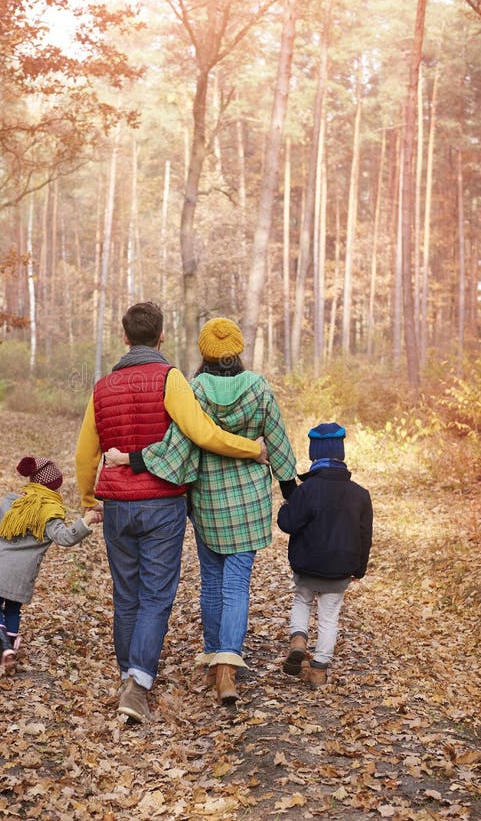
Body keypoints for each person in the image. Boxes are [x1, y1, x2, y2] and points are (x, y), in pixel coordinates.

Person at [75, 302, 267, 723]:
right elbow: (202, 433)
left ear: (124, 337)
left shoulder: (102, 386)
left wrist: (89, 499)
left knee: (126, 594)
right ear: (161, 336)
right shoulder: (170, 378)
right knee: (156, 596)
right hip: (161, 503)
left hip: (117, 506)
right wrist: (251, 448)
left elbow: (85, 452)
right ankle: (138, 684)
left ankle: (128, 673)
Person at [104, 316, 297, 706]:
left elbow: (176, 446)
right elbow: (277, 440)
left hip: (208, 500)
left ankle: (213, 659)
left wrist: (130, 459)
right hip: (248, 503)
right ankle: (227, 667)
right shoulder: (258, 387)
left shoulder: (195, 390)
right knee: (236, 585)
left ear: (204, 352)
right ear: (237, 350)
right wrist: (292, 490)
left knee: (211, 582)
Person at [0, 455, 98, 674]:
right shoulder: (50, 512)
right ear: (54, 487)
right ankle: (8, 650)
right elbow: (65, 538)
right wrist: (86, 520)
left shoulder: (11, 503)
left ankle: (4, 646)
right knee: (13, 609)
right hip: (23, 574)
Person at [277, 423, 373, 688]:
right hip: (340, 568)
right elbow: (365, 535)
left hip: (307, 565)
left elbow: (289, 523)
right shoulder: (360, 494)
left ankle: (298, 640)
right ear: (341, 453)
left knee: (302, 601)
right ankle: (319, 671)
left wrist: (285, 507)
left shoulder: (306, 490)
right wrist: (360, 569)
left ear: (314, 454)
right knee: (329, 617)